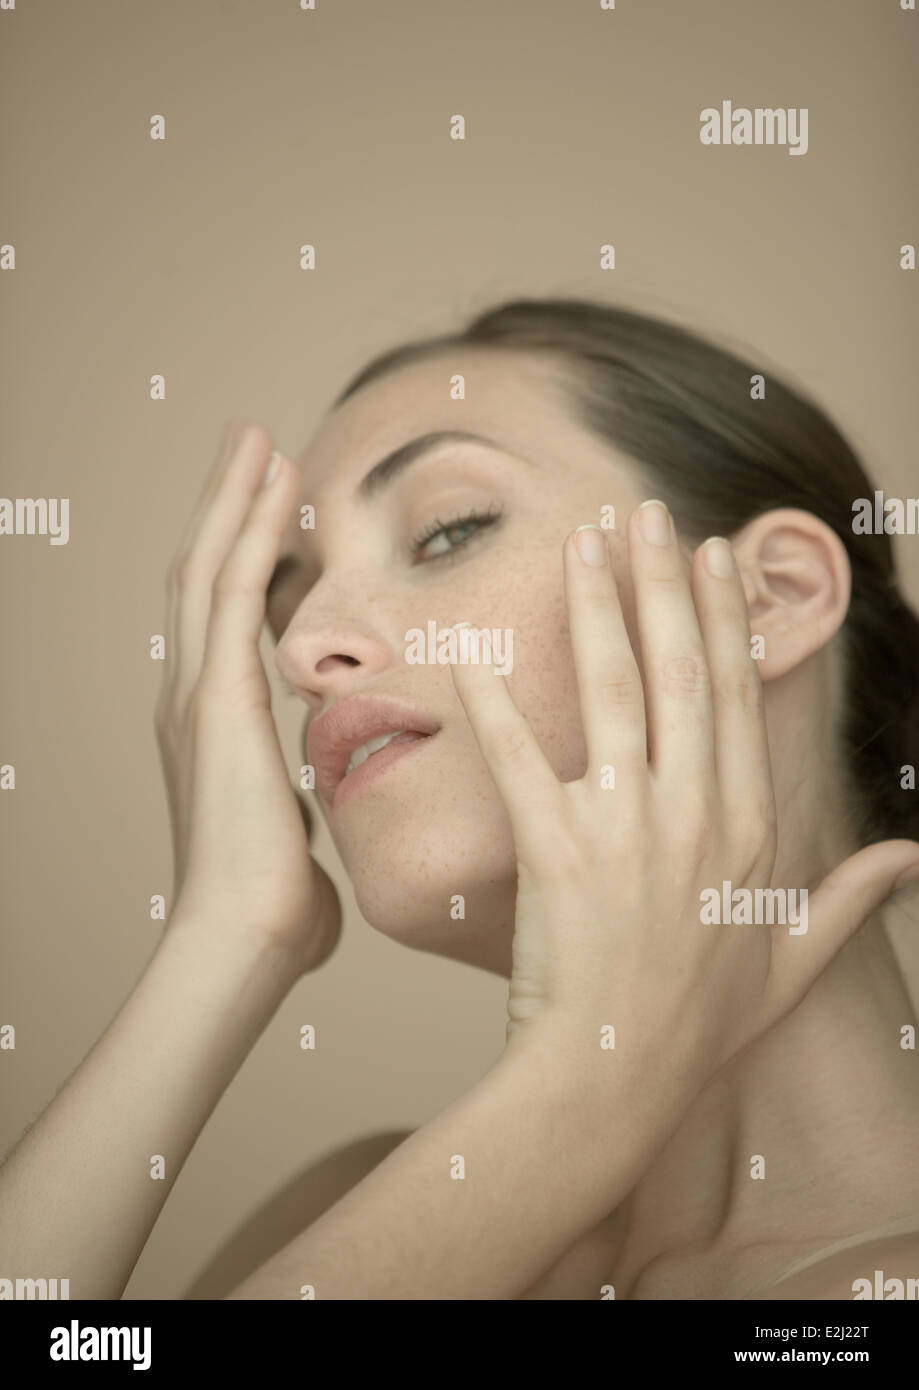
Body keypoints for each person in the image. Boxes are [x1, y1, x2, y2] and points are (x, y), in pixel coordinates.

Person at [2, 298, 918, 1301]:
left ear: (767, 598)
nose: (304, 647)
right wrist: (228, 931)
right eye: (284, 603)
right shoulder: (344, 1211)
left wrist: (583, 1097)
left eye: (447, 530)